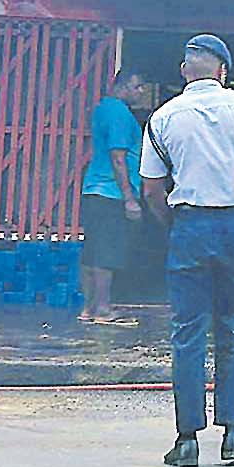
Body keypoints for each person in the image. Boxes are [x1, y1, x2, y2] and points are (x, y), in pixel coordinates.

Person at [141, 34, 234, 467]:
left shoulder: (162, 118)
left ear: (185, 70)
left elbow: (151, 189)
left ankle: (186, 441)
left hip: (189, 226)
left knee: (187, 334)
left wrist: (175, 225)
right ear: (223, 71)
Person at [78, 68, 146, 326]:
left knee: (93, 251)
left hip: (93, 190)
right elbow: (118, 157)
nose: (141, 92)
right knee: (107, 252)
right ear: (124, 85)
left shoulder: (102, 108)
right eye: (138, 86)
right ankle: (103, 309)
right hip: (111, 193)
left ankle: (88, 308)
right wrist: (129, 198)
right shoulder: (119, 113)